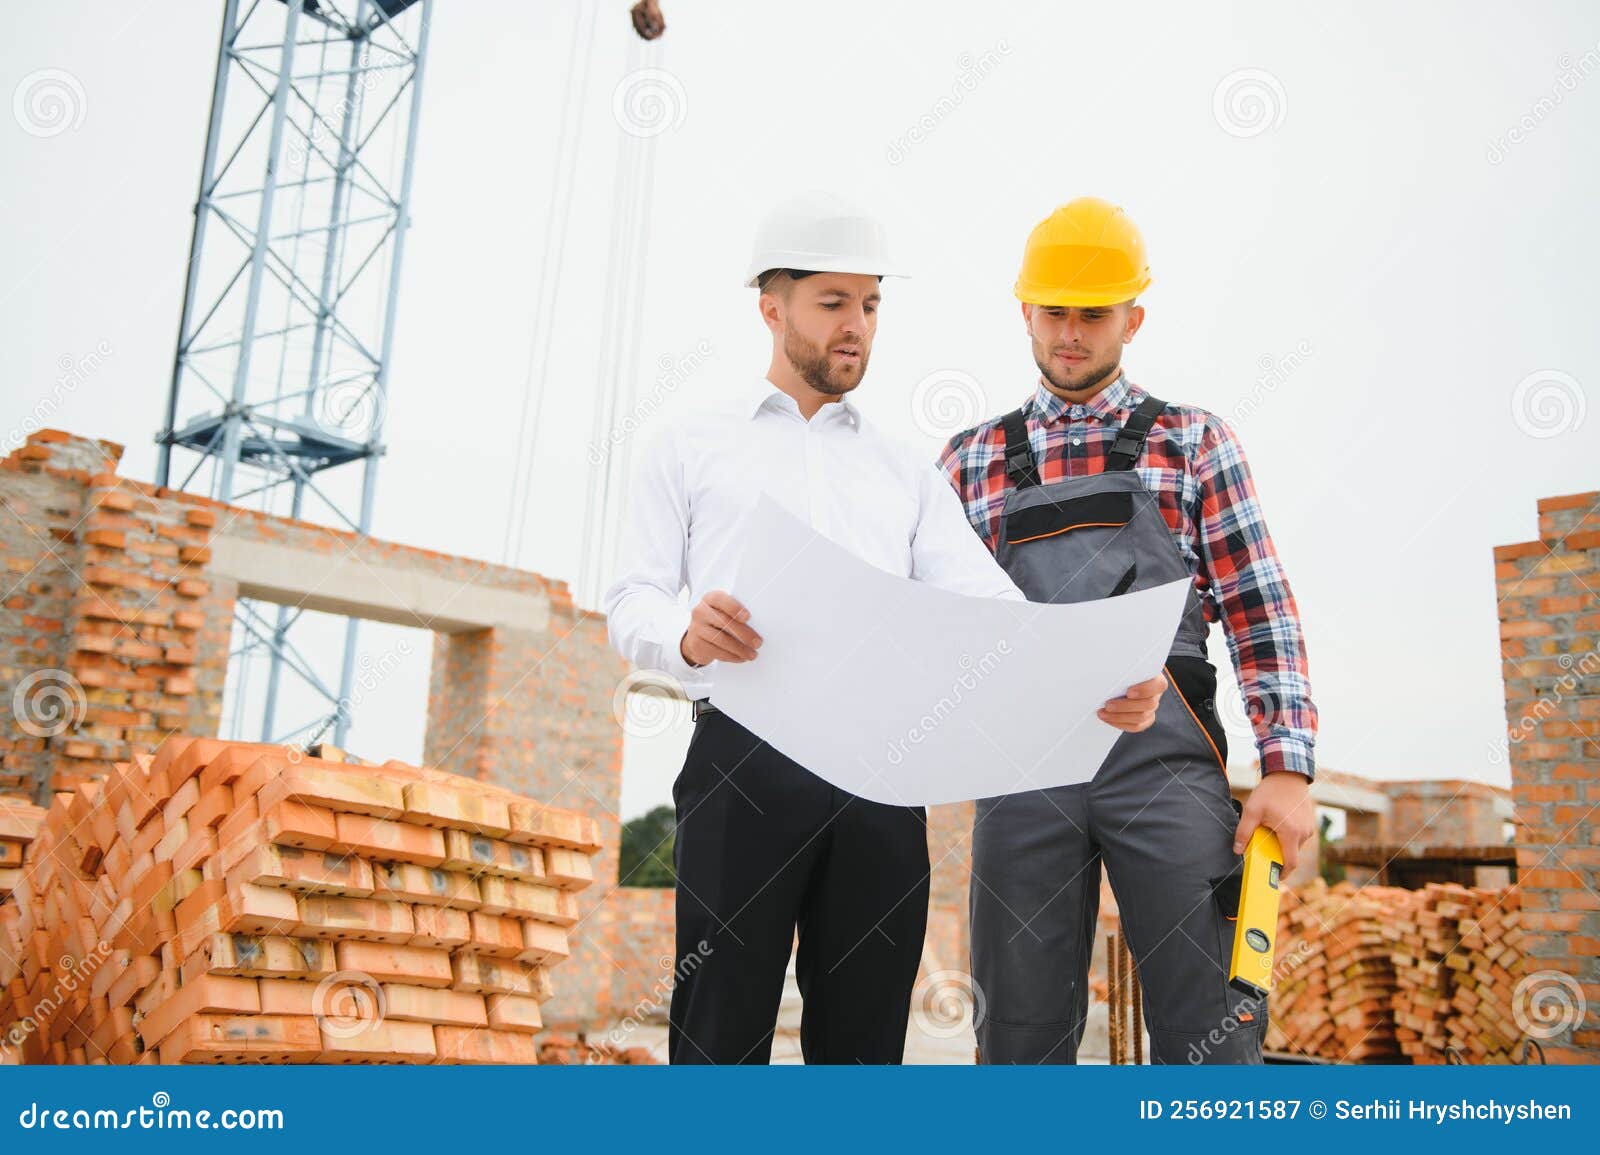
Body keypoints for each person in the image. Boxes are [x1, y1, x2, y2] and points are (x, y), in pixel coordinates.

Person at [603, 191, 1169, 1064]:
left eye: (869, 305)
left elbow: (992, 610)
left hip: (882, 780)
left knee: (865, 1045)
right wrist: (684, 634)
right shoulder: (688, 444)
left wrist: (1095, 677)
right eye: (832, 302)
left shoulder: (902, 469)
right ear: (771, 307)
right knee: (719, 1029)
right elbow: (632, 597)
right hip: (743, 763)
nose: (856, 325)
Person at [938, 197, 1320, 1064]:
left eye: (1094, 314)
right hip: (1022, 768)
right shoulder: (968, 460)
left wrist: (1288, 769)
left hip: (1165, 767)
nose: (1071, 333)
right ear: (1025, 311)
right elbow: (940, 631)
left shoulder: (1193, 442)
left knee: (1210, 1032)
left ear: (1133, 318)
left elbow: (1259, 607)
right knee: (1019, 1039)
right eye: (1056, 311)